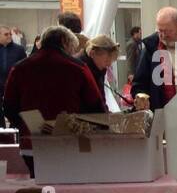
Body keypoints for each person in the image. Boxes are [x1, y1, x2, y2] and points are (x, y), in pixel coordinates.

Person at [3, 25, 106, 165]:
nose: (72, 53)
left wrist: (25, 126)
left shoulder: (19, 68)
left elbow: (9, 106)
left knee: (38, 184)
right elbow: (95, 105)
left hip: (32, 143)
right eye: (72, 49)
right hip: (71, 142)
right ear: (64, 42)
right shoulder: (78, 68)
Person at [79, 34, 122, 110]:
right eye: (106, 61)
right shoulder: (80, 70)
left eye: (110, 61)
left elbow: (100, 99)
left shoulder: (98, 68)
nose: (108, 65)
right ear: (92, 53)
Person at [0, 25, 25, 98]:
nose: (9, 36)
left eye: (10, 34)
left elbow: (24, 68)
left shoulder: (19, 49)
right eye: (6, 34)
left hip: (14, 87)